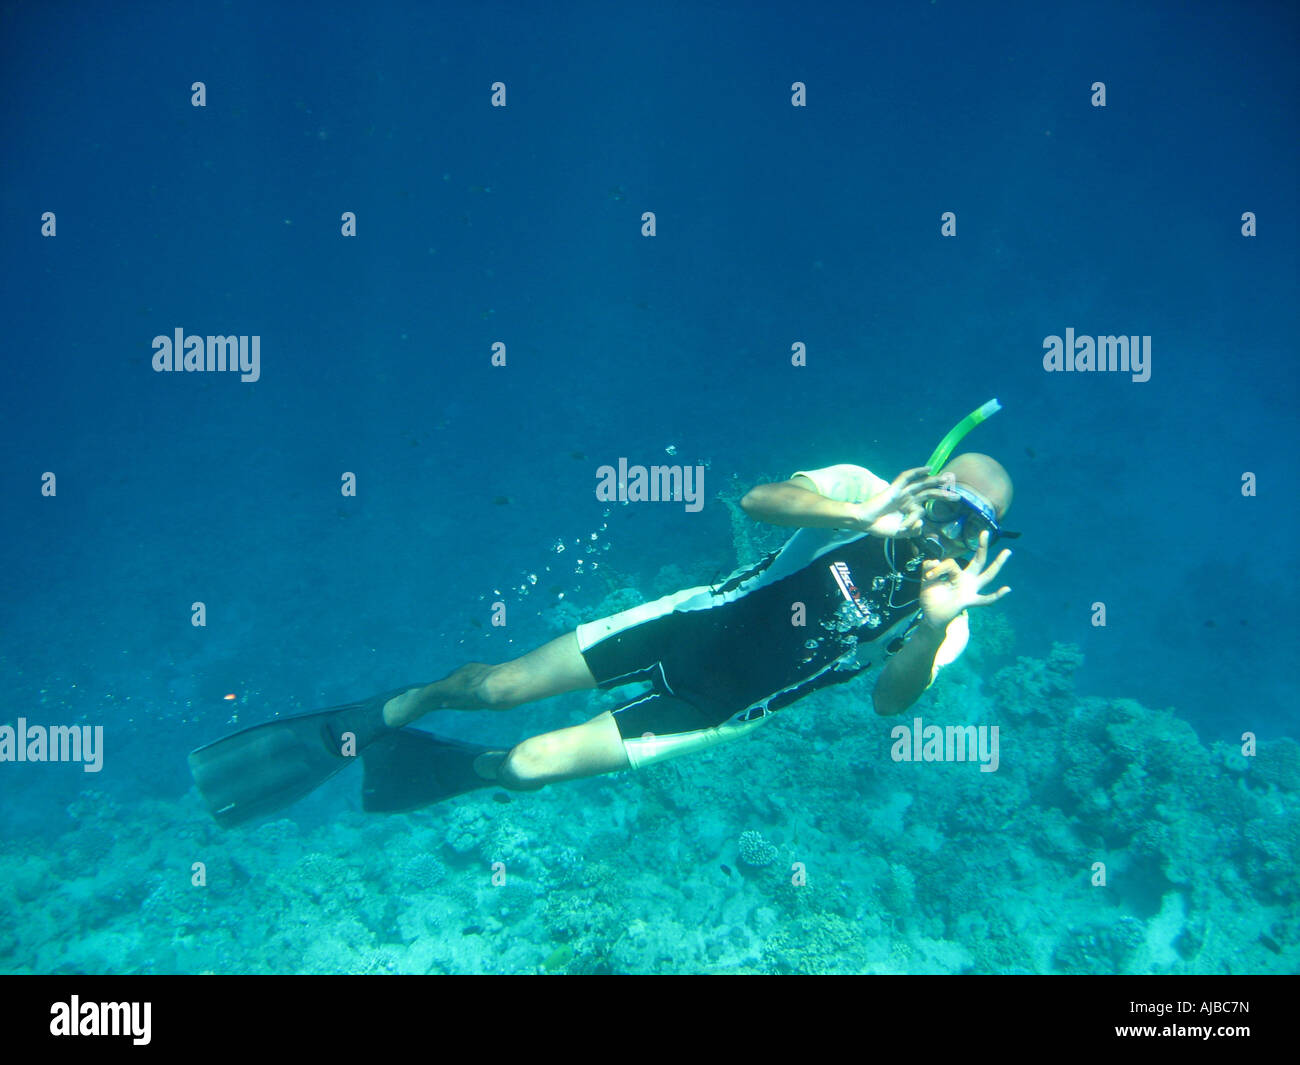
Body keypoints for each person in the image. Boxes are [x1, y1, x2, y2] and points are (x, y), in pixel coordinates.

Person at [188, 454, 1014, 827]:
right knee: (496, 688)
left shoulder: (950, 619)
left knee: (524, 767)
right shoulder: (865, 489)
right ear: (929, 480)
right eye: (948, 504)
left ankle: (429, 765)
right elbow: (760, 500)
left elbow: (888, 702)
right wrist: (858, 514)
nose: (948, 531)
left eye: (973, 525)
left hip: (718, 707)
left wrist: (934, 623)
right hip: (682, 625)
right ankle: (397, 710)